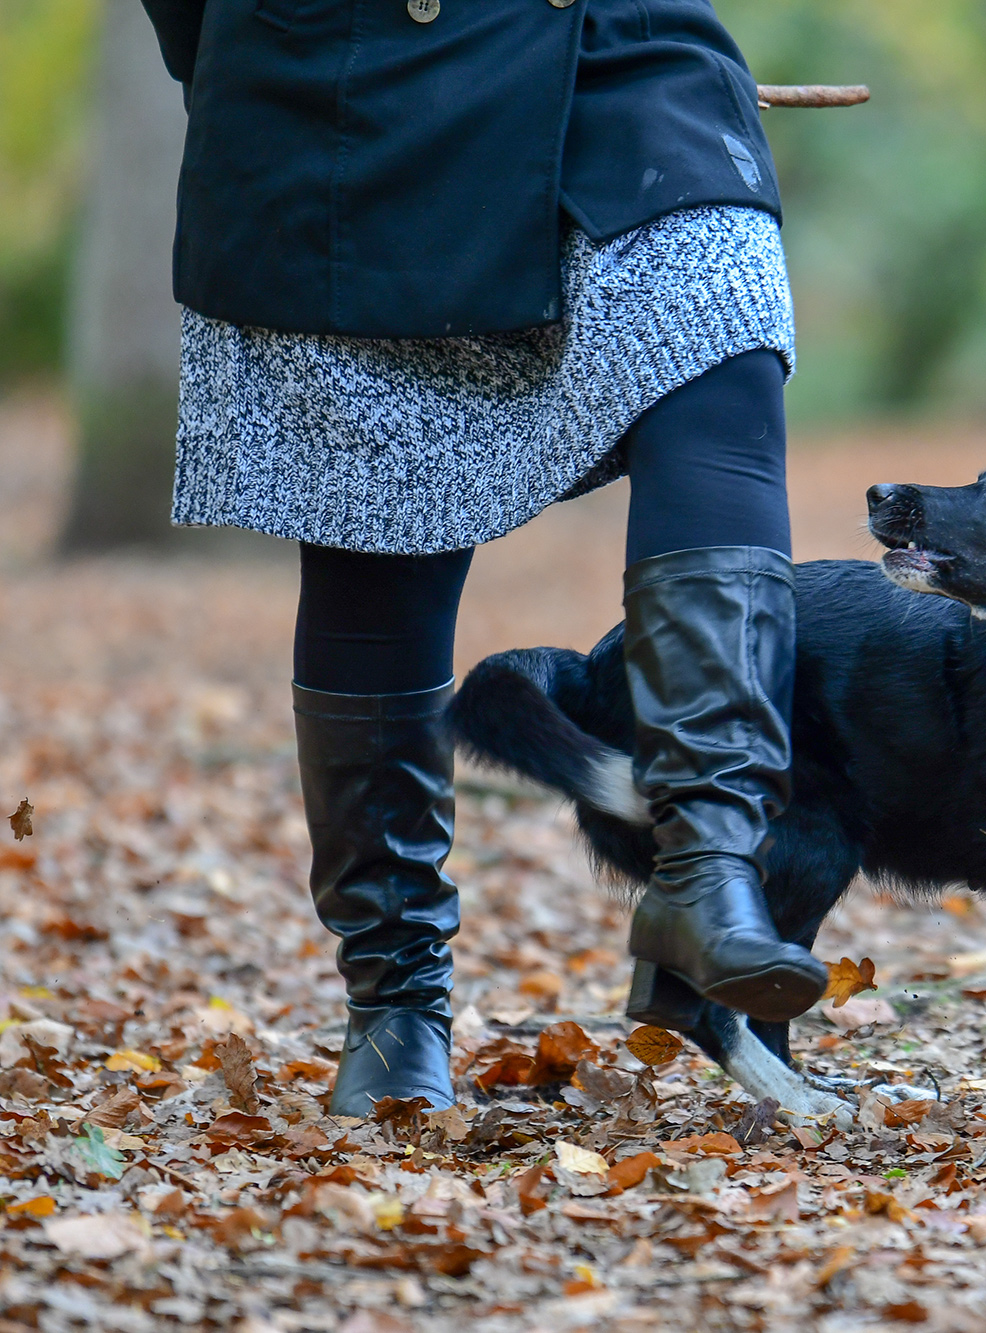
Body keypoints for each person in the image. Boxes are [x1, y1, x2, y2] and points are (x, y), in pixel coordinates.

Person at [139, 0, 829, 1115]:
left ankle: (709, 868)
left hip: (622, 47)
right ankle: (395, 999)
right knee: (378, 502)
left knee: (725, 337)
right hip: (342, 68)